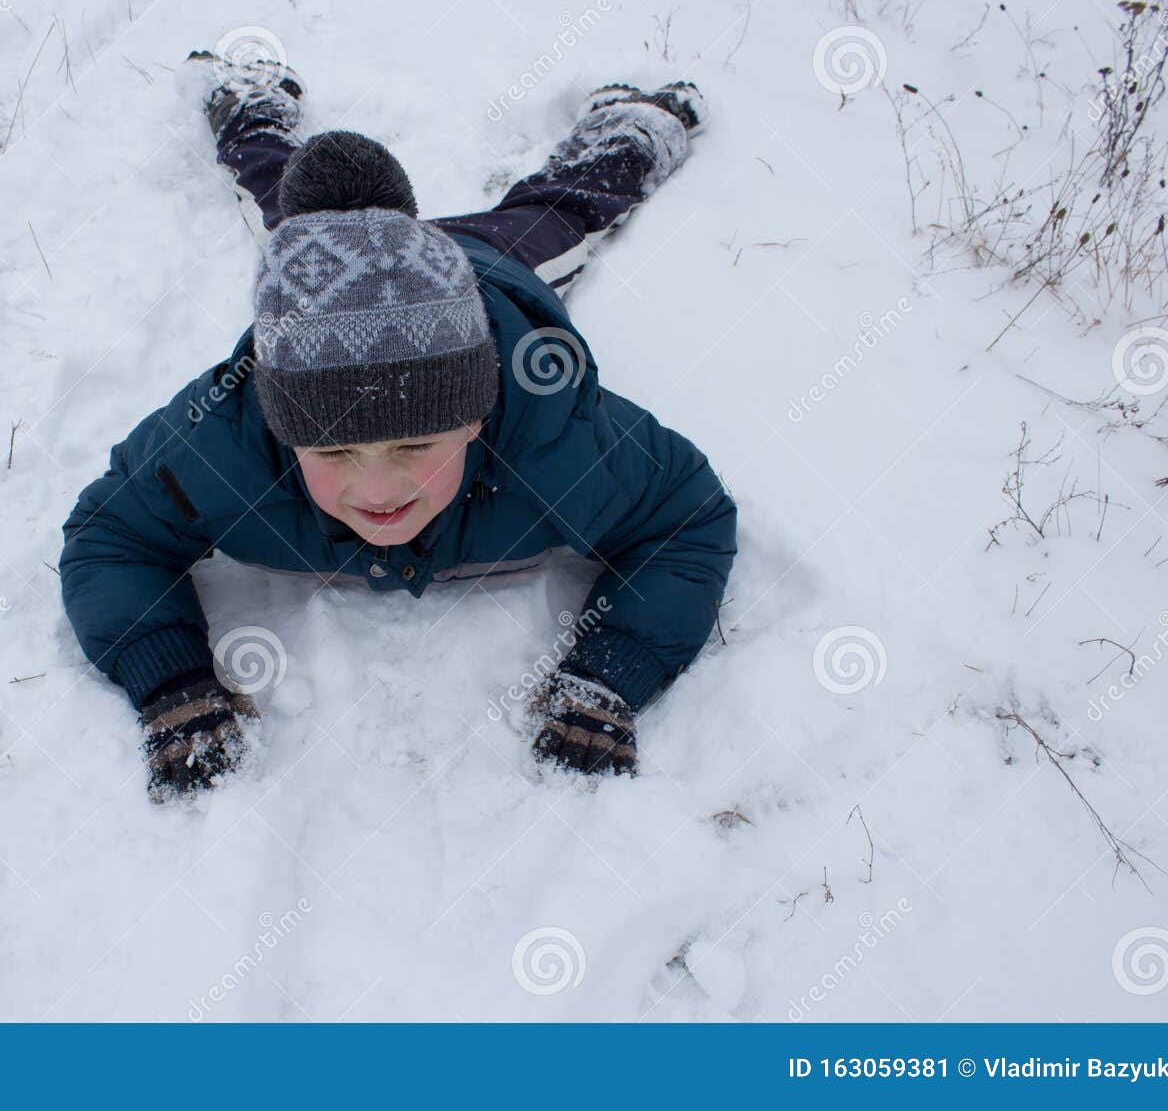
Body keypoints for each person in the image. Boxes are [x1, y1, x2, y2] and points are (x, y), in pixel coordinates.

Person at [59, 49, 738, 802]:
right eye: (335, 450)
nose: (379, 487)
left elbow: (688, 517)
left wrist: (610, 673)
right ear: (284, 431)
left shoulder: (557, 441)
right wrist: (170, 677)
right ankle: (252, 110)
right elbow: (111, 534)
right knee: (285, 203)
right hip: (324, 292)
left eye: (415, 443)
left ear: (476, 418)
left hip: (485, 261)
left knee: (563, 212)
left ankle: (632, 124)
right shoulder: (226, 441)